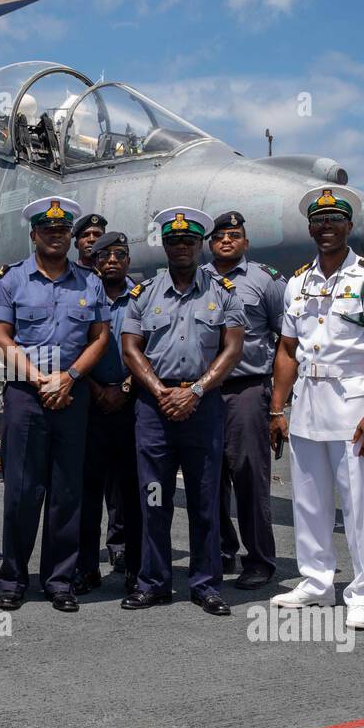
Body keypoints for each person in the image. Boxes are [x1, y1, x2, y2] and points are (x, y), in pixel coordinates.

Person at [268, 187, 364, 631]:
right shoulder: (297, 282)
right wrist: (276, 409)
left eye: (334, 220)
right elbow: (287, 349)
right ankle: (317, 580)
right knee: (309, 501)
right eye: (319, 221)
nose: (326, 227)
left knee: (359, 503)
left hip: (352, 403)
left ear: (348, 226)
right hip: (307, 401)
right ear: (311, 228)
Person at [120, 208, 245, 616]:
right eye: (174, 241)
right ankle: (153, 582)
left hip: (203, 404)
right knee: (153, 497)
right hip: (153, 409)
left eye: (188, 241)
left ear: (200, 245)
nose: (181, 247)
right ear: (165, 245)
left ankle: (206, 584)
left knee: (206, 498)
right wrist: (159, 391)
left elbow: (232, 348)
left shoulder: (223, 291)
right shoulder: (144, 293)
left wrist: (196, 389)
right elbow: (130, 348)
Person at [0, 196, 110, 612]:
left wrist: (70, 377)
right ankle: (13, 578)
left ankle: (59, 579)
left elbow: (99, 337)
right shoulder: (11, 280)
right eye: (47, 231)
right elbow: (0, 336)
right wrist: (38, 378)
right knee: (22, 490)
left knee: (67, 491)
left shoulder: (88, 282)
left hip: (72, 395)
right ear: (33, 234)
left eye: (62, 232)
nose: (55, 237)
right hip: (26, 394)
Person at [203, 211, 286, 589]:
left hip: (247, 388)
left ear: (245, 243)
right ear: (210, 243)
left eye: (234, 235)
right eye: (219, 236)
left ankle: (260, 560)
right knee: (209, 476)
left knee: (250, 476)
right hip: (203, 390)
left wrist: (278, 405)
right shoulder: (198, 279)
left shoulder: (264, 281)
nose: (226, 241)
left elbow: (287, 340)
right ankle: (222, 550)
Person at [76, 230, 142, 595]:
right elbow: (71, 345)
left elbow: (154, 347)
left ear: (128, 260)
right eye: (105, 255)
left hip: (133, 406)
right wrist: (96, 388)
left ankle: (135, 567)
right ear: (95, 262)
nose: (112, 260)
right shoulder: (84, 294)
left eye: (120, 254)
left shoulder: (143, 297)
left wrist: (128, 385)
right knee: (88, 493)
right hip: (91, 404)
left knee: (132, 493)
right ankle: (86, 568)